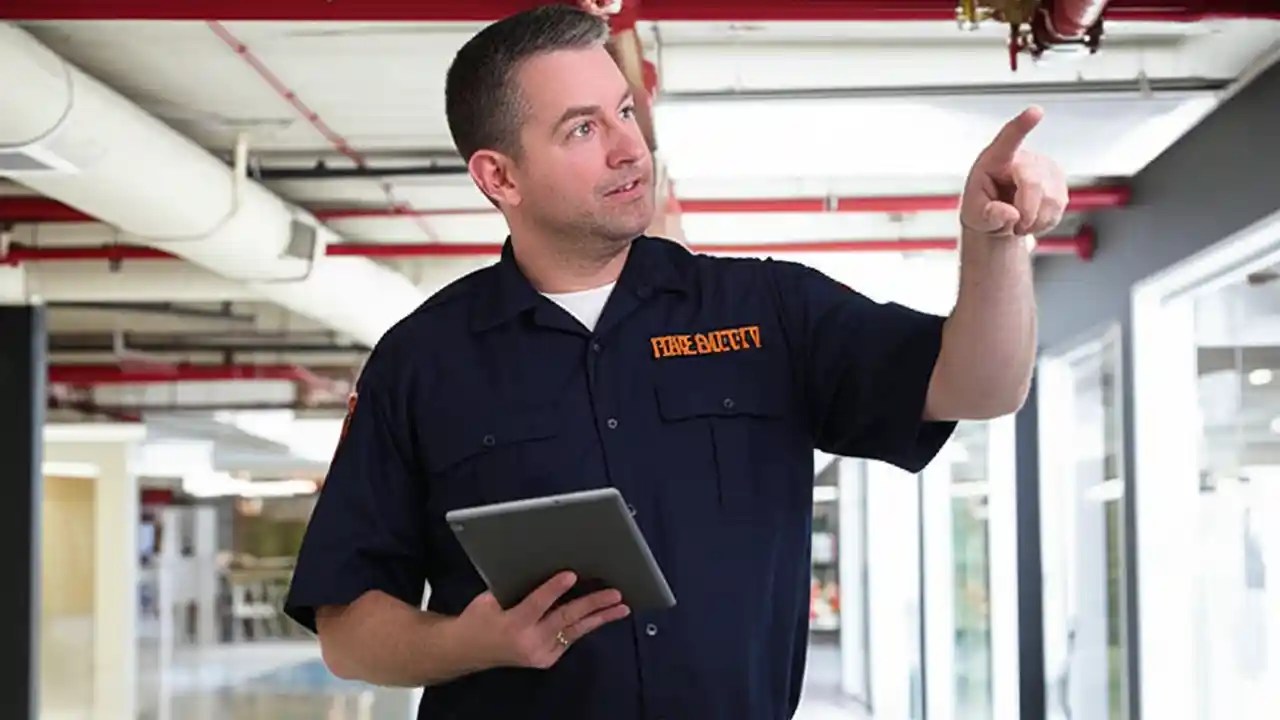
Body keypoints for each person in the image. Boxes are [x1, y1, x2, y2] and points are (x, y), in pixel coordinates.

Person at [282, 5, 1067, 719]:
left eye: (625, 111)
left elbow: (983, 386)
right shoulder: (423, 362)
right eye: (583, 129)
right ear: (499, 176)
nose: (631, 147)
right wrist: (472, 644)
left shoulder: (767, 310)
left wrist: (995, 241)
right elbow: (347, 628)